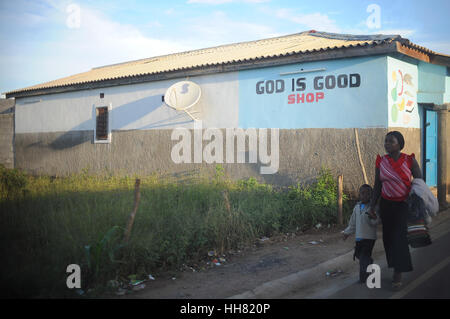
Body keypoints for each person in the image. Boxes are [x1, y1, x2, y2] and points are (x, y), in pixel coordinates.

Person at [368, 131, 422, 290]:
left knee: (399, 239)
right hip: (386, 205)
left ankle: (398, 273)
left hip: (403, 206)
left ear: (399, 143)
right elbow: (377, 185)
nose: (387, 144)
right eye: (385, 141)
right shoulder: (381, 161)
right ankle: (396, 265)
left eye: (390, 141)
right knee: (388, 239)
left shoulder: (409, 160)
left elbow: (419, 182)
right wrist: (372, 205)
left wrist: (412, 199)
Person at [343, 184, 379, 284]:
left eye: (368, 194)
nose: (365, 196)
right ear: (359, 195)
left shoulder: (373, 207)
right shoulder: (356, 207)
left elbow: (375, 223)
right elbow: (352, 223)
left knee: (363, 257)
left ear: (371, 195)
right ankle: (369, 263)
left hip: (369, 238)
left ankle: (364, 278)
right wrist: (346, 233)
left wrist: (373, 217)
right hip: (359, 237)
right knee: (358, 254)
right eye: (363, 193)